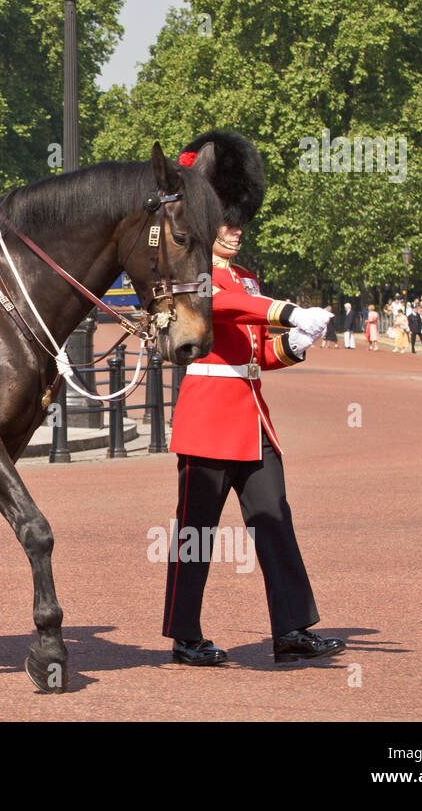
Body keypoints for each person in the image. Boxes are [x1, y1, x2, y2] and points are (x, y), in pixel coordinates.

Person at [164, 131, 345, 666]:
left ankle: (290, 629)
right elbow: (227, 307)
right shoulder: (196, 276)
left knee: (274, 519)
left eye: (239, 220)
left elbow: (259, 355)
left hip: (251, 421)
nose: (235, 230)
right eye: (225, 219)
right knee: (196, 531)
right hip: (207, 419)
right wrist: (287, 311)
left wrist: (295, 343)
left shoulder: (244, 278)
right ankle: (185, 634)